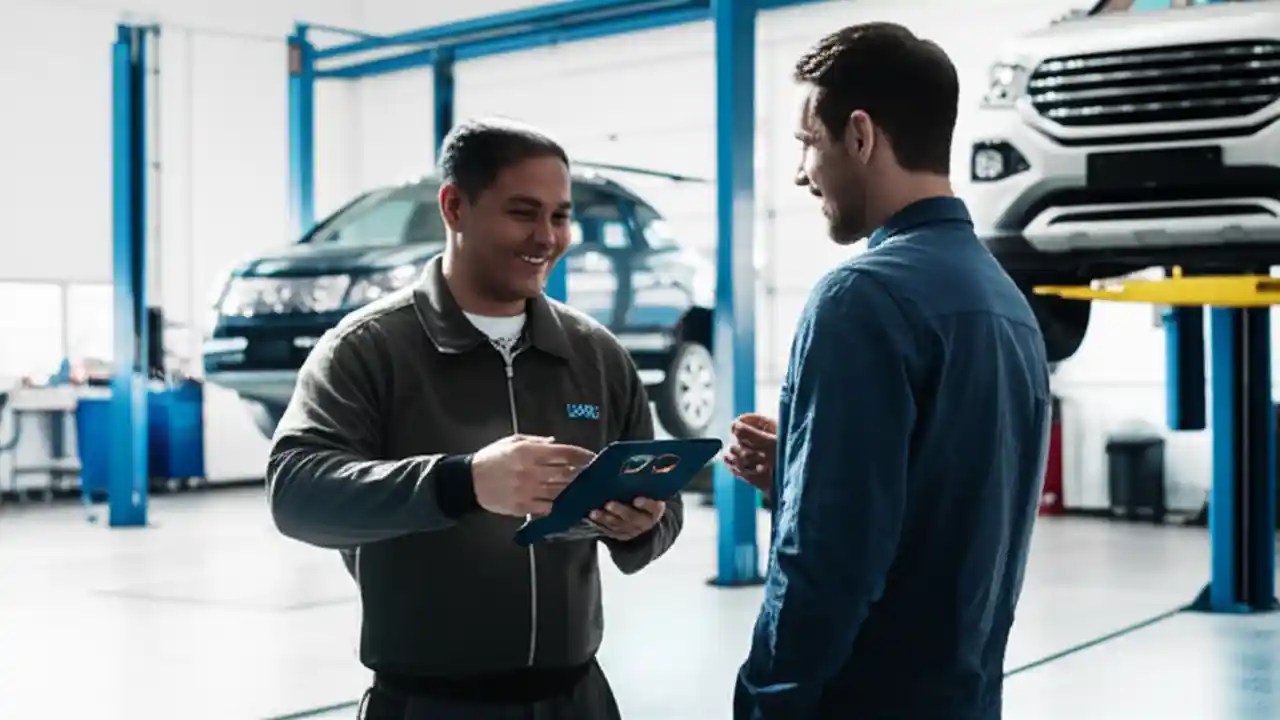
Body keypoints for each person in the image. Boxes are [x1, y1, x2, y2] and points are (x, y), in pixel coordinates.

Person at [266, 117, 684, 719]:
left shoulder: (594, 354)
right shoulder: (369, 349)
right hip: (430, 705)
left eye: (560, 216)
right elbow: (295, 491)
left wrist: (639, 526)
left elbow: (664, 503)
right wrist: (462, 482)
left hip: (578, 701)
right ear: (455, 206)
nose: (546, 237)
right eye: (522, 212)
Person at [725, 23, 1052, 720]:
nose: (799, 171)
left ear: (862, 135)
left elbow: (827, 559)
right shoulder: (1004, 302)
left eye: (808, 143)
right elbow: (948, 504)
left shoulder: (861, 298)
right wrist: (801, 471)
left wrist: (764, 700)